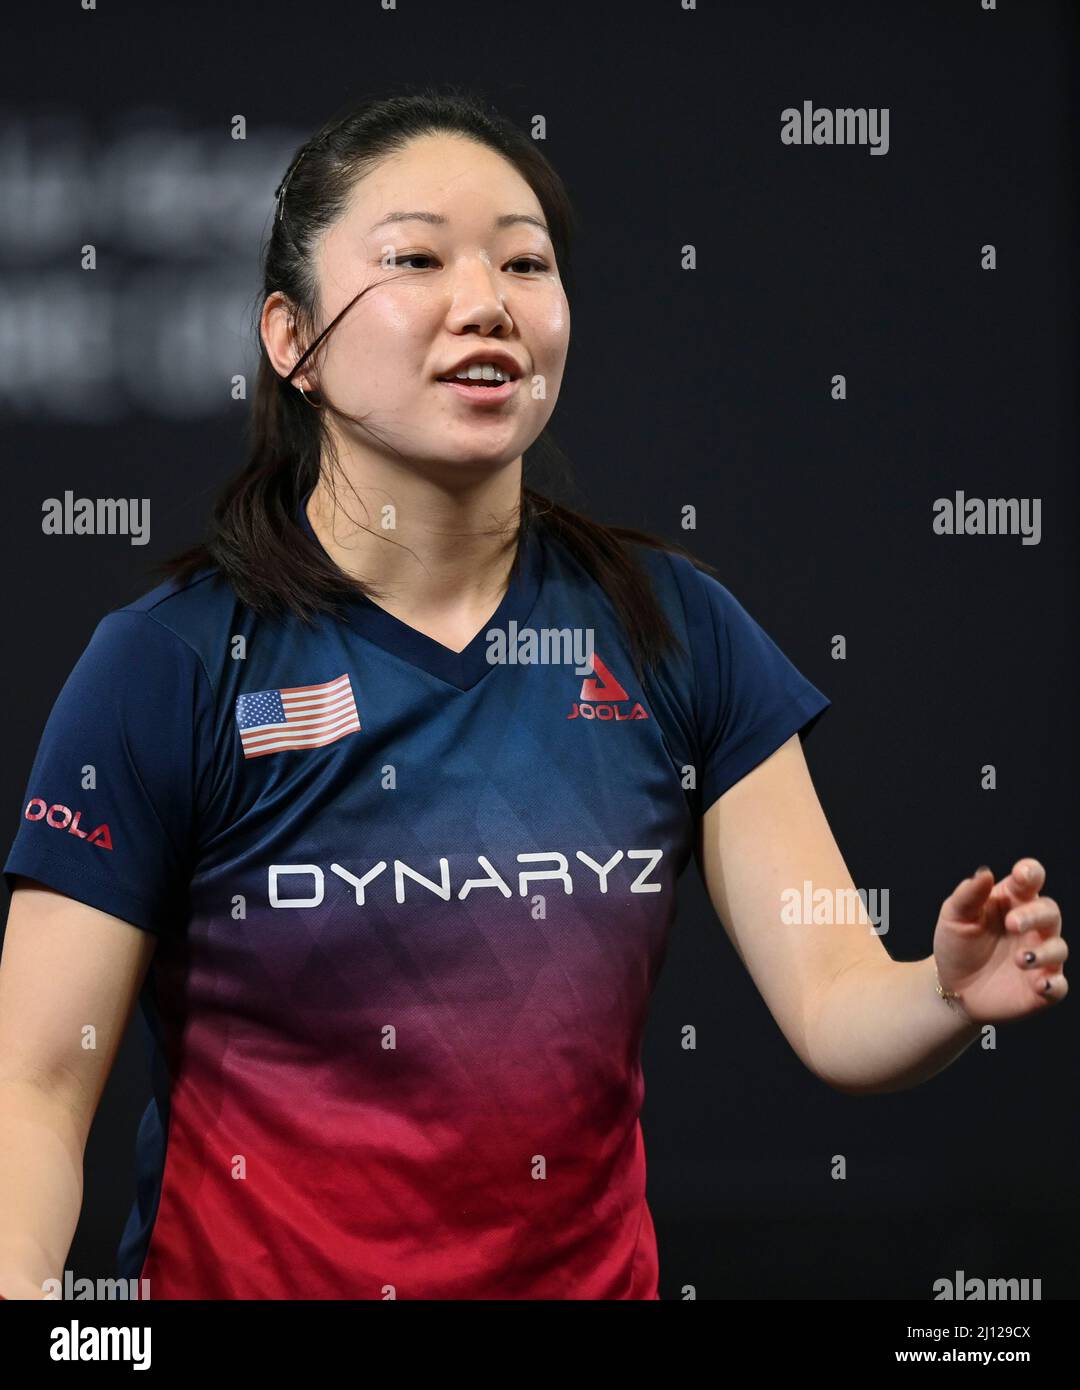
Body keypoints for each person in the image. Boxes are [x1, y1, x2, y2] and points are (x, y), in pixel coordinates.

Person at [0, 85, 1067, 1302]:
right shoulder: (170, 662)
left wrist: (939, 991)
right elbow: (31, 1084)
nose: (486, 304)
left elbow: (834, 1000)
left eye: (525, 262)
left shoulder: (675, 629)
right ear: (290, 337)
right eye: (415, 257)